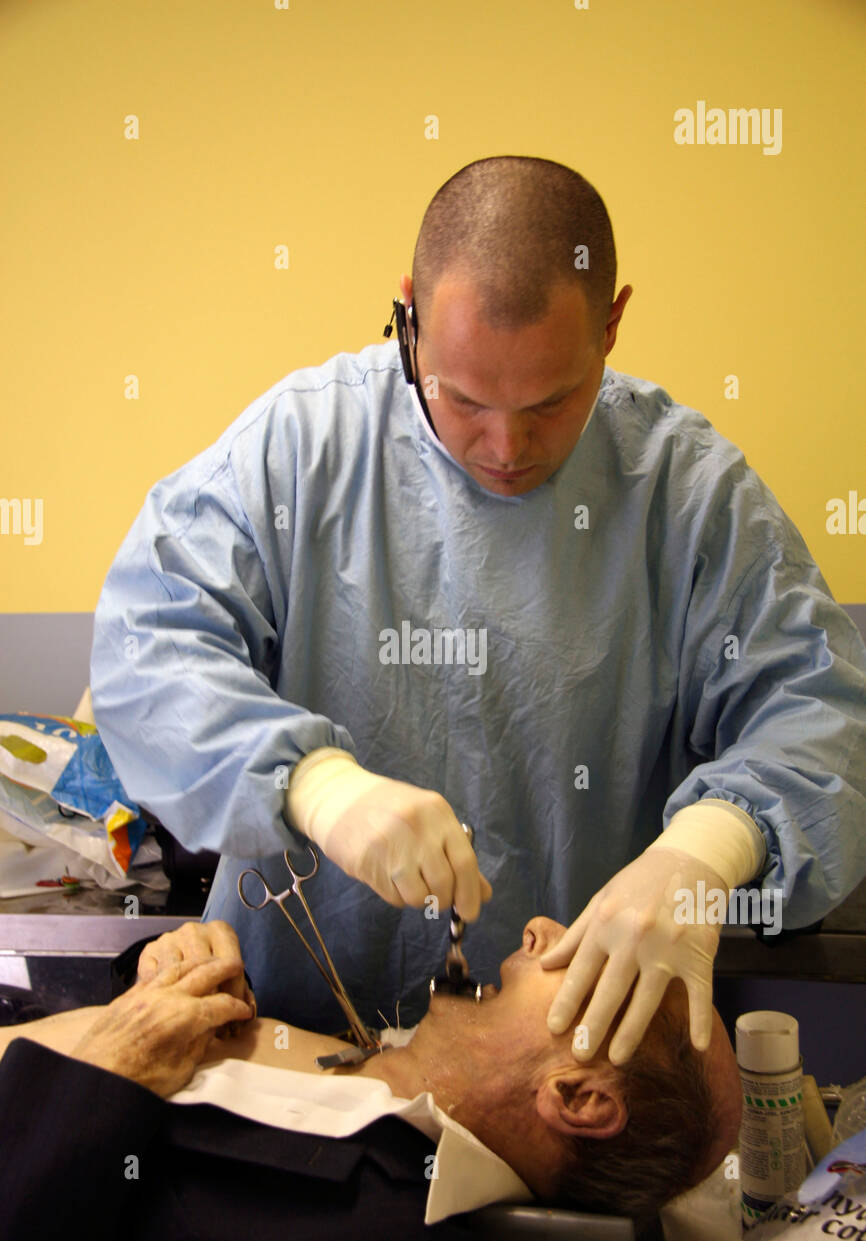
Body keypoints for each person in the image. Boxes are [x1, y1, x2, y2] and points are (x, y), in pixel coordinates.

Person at [88, 155, 866, 1064]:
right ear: (408, 310)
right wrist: (316, 787)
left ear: (612, 324)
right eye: (461, 397)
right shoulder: (301, 450)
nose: (504, 446)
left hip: (546, 1068)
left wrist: (705, 851)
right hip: (288, 1050)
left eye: (550, 403)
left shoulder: (685, 496)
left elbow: (823, 720)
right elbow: (149, 646)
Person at [0, 918, 741, 1241]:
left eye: (589, 962)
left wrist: (107, 1072)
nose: (540, 930)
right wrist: (167, 975)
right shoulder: (369, 1066)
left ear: (577, 1098)